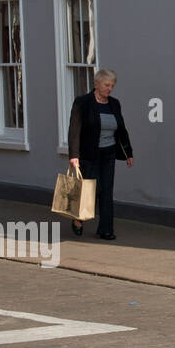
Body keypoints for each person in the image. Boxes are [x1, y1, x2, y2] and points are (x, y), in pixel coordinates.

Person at [67, 68, 135, 240]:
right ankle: (78, 219)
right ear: (96, 84)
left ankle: (106, 229)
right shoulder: (83, 102)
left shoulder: (114, 104)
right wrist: (74, 155)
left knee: (106, 191)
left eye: (112, 85)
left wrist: (128, 152)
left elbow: (121, 130)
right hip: (89, 154)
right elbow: (74, 130)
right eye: (106, 85)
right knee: (89, 191)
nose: (109, 88)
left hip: (109, 153)